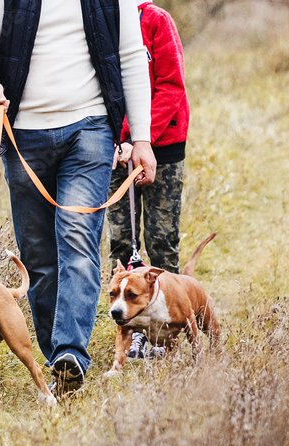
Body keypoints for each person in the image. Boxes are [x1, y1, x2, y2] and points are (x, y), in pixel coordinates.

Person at [0, 0, 157, 395]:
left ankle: (72, 354)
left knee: (77, 237)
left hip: (90, 129)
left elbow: (133, 57)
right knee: (37, 255)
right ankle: (56, 361)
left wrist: (141, 139)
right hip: (22, 134)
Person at [107, 0, 189, 275]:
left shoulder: (157, 20)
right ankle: (122, 309)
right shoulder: (102, 21)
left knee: (162, 239)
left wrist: (141, 137)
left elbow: (171, 85)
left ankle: (170, 308)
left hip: (163, 145)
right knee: (119, 238)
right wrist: (120, 140)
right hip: (117, 150)